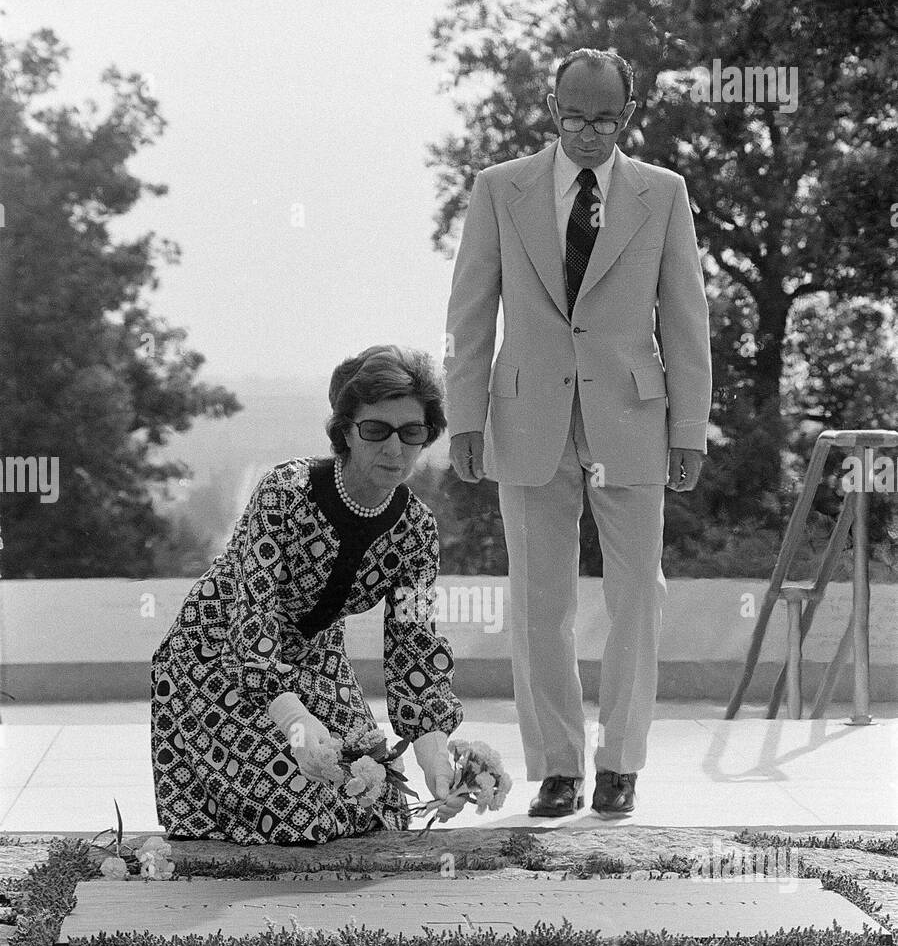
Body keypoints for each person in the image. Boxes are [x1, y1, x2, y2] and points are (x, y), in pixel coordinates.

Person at [444, 48, 712, 818]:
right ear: (551, 108)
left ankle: (622, 763)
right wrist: (465, 417)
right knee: (538, 601)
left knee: (637, 596)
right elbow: (469, 311)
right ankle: (558, 767)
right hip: (528, 417)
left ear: (627, 116)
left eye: (604, 118)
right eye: (574, 116)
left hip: (632, 418)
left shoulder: (663, 194)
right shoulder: (501, 189)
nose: (588, 132)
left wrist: (689, 427)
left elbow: (686, 318)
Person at [151, 345, 464, 844]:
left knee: (375, 804)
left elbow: (414, 643)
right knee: (303, 811)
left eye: (412, 432)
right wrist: (294, 720)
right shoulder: (285, 492)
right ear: (345, 431)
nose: (395, 449)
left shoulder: (415, 532)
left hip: (316, 665)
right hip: (218, 658)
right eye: (375, 429)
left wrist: (432, 749)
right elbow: (252, 612)